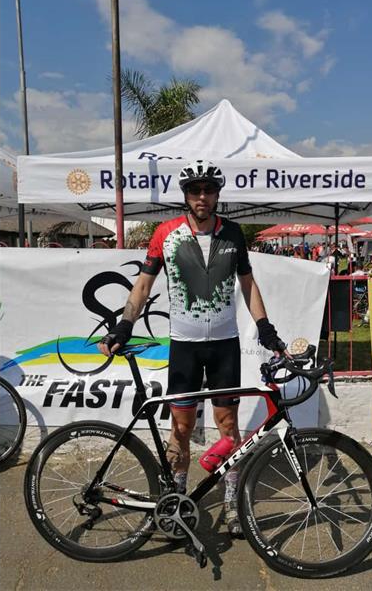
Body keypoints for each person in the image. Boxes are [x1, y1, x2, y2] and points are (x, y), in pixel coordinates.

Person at [98, 160, 287, 539]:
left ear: (217, 194)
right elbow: (143, 286)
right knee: (181, 428)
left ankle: (231, 500)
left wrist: (265, 328)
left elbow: (248, 284)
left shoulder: (233, 233)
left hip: (224, 346)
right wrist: (124, 324)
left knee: (228, 427)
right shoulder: (165, 233)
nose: (202, 197)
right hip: (184, 346)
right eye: (195, 190)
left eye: (209, 190)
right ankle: (178, 495)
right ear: (185, 195)